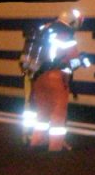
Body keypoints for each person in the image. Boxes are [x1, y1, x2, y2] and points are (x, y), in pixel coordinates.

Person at [24, 8, 89, 152]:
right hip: (57, 79)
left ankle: (37, 141)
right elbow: (73, 61)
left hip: (39, 78)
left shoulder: (44, 30)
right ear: (72, 23)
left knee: (42, 113)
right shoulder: (66, 36)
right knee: (58, 114)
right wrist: (83, 60)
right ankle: (55, 146)